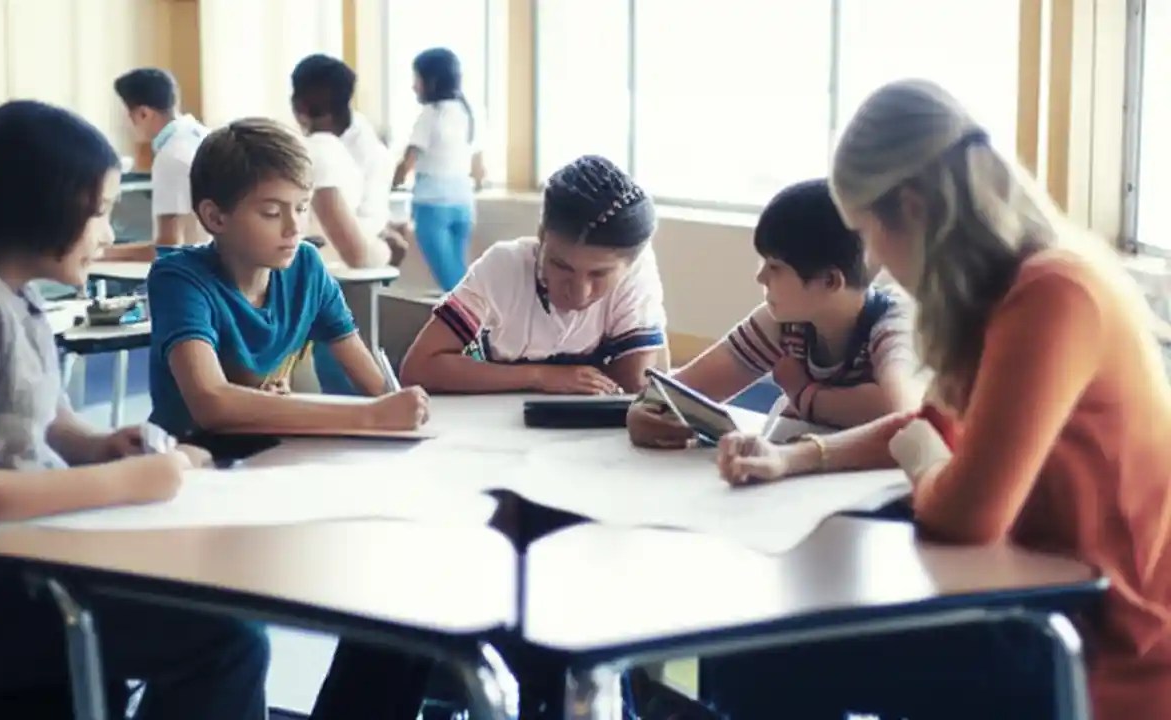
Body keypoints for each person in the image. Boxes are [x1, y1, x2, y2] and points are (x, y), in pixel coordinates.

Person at [715, 79, 1171, 720]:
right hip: (1040, 602)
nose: (871, 258)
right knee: (762, 643)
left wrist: (925, 459)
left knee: (761, 659)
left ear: (914, 207)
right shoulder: (1022, 286)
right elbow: (935, 428)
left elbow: (965, 515)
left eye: (868, 233)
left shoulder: (1053, 297)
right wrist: (796, 457)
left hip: (1106, 646)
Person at [0, 99, 267, 720]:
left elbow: (43, 420)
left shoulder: (6, 290)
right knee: (225, 637)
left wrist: (95, 448)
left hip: (14, 553)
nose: (109, 235)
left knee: (207, 590)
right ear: (41, 204)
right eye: (99, 213)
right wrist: (121, 482)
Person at [146, 117, 429, 438]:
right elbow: (211, 402)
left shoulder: (306, 266)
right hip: (189, 461)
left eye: (302, 208)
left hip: (272, 452)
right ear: (214, 217)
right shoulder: (180, 279)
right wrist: (370, 415)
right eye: (271, 212)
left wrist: (399, 405)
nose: (295, 228)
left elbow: (376, 386)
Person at [627, 179, 920, 448]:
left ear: (829, 281)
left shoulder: (893, 327)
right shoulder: (784, 323)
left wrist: (804, 394)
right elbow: (680, 391)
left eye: (775, 267)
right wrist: (644, 409)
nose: (761, 277)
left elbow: (906, 417)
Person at [399, 154, 667, 394]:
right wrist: (539, 376)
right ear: (541, 238)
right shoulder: (505, 266)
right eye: (561, 266)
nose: (578, 292)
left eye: (598, 275)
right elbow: (419, 367)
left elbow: (636, 384)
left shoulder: (636, 272)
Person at [290, 54, 405, 268]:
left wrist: (381, 246)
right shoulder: (331, 147)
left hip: (343, 258)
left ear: (298, 106)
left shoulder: (322, 152)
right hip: (346, 255)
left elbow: (355, 251)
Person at [392, 47, 487, 291]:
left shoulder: (430, 114)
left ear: (431, 81)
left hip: (432, 204)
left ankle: (475, 324)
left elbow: (408, 161)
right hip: (463, 204)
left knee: (452, 283)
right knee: (459, 274)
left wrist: (392, 183)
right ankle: (478, 322)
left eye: (417, 79)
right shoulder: (467, 113)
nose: (414, 86)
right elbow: (478, 168)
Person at [107, 67, 209, 261]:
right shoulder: (200, 135)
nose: (124, 125)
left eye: (124, 115)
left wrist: (100, 253)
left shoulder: (172, 156)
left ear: (143, 114)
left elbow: (168, 248)